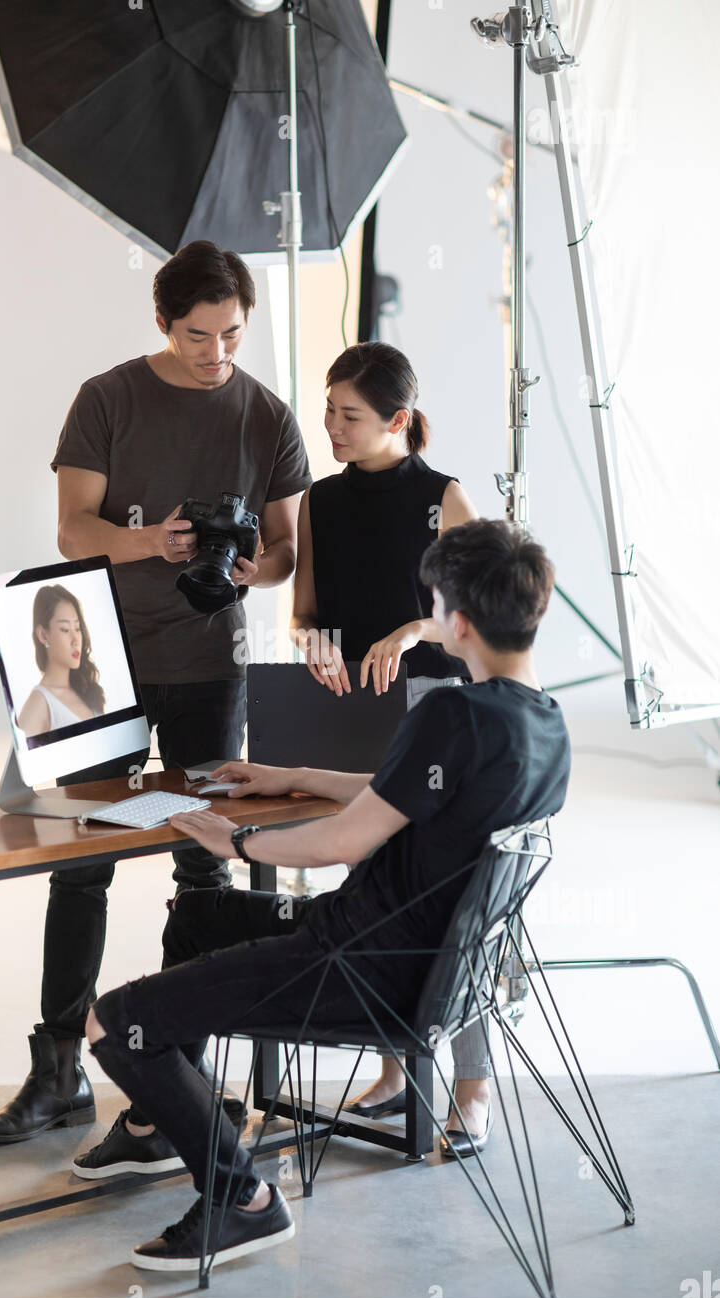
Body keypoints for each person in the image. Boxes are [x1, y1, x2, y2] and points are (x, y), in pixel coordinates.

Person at [83, 518, 572, 1271]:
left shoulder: (453, 713)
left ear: (460, 622)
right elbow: (400, 795)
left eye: (435, 603)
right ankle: (166, 1123)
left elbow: (346, 840)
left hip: (353, 967)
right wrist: (293, 776)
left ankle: (242, 1199)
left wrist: (235, 842)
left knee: (114, 1025)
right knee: (197, 917)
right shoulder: (543, 726)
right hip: (420, 965)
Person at [0, 240, 312, 1145]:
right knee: (79, 862)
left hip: (212, 660)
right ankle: (57, 1072)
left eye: (233, 335)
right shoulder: (108, 397)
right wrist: (148, 542)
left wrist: (246, 568)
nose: (218, 355)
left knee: (203, 861)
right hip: (98, 664)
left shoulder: (269, 415)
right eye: (200, 336)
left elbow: (285, 552)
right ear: (163, 322)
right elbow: (72, 527)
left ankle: (177, 1075)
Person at [290, 341, 486, 1136]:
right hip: (358, 713)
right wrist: (313, 639)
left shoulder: (445, 498)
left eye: (350, 416)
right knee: (374, 891)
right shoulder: (319, 501)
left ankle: (471, 1093)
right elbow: (303, 608)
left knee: (460, 901)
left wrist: (414, 627)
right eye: (328, 411)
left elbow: (484, 617)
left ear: (398, 420)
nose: (331, 428)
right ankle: (395, 1069)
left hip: (443, 712)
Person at [17, 585, 105, 735]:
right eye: (65, 629)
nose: (75, 640)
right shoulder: (40, 703)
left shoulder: (84, 688)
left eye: (77, 629)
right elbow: (23, 757)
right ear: (43, 635)